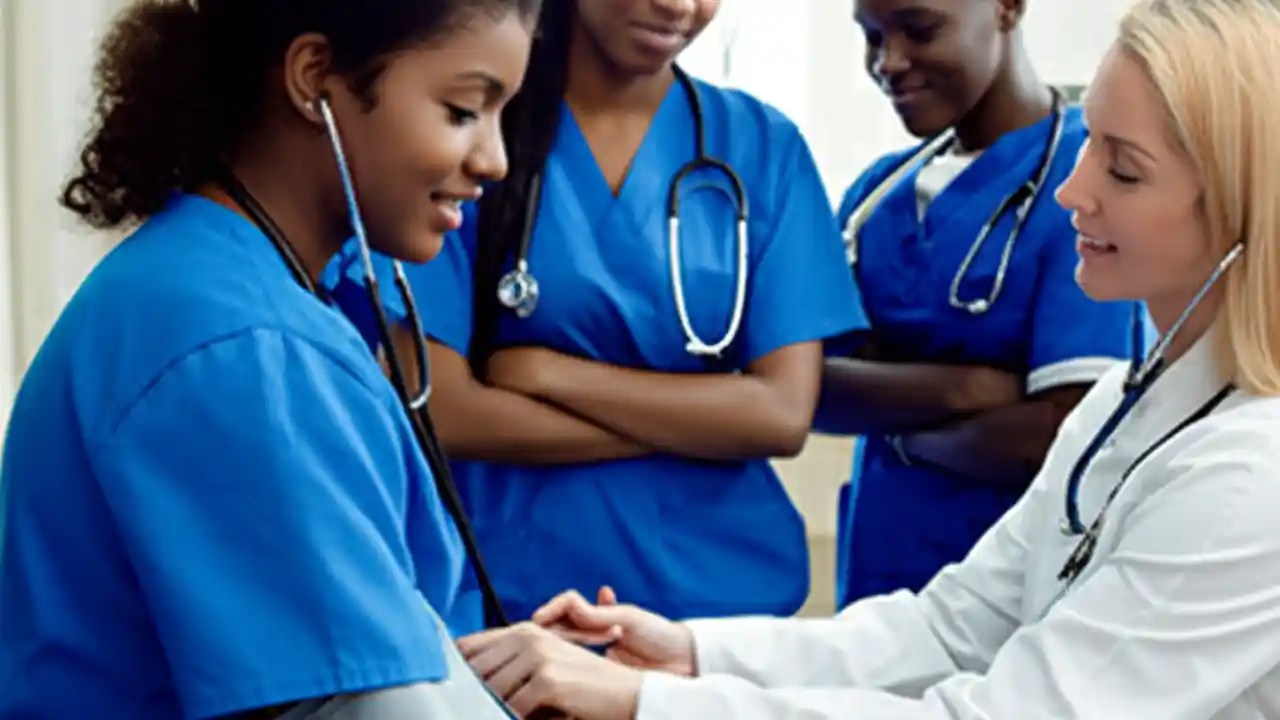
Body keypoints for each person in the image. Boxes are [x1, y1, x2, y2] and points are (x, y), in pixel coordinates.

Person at [457, 0, 1280, 716]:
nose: (1072, 188)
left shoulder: (1250, 479)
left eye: (1123, 169)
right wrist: (688, 652)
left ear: (1244, 201)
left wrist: (648, 703)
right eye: (1090, 141)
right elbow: (946, 629)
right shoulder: (1125, 408)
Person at [0, 0, 538, 717]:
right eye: (464, 110)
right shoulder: (245, 351)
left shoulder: (226, 286)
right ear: (314, 77)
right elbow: (364, 704)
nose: (494, 160)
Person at [344, 0, 867, 626]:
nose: (679, 6)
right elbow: (445, 410)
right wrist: (703, 421)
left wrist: (549, 374)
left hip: (721, 612)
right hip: (519, 607)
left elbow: (779, 418)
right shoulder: (474, 134)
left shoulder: (763, 148)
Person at [813, 0, 1147, 607]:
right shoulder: (874, 199)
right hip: (879, 585)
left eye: (920, 29)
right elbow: (806, 389)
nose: (889, 61)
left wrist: (897, 429)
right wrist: (972, 390)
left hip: (1019, 607)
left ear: (1007, 8)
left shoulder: (1084, 185)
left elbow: (1061, 434)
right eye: (871, 36)